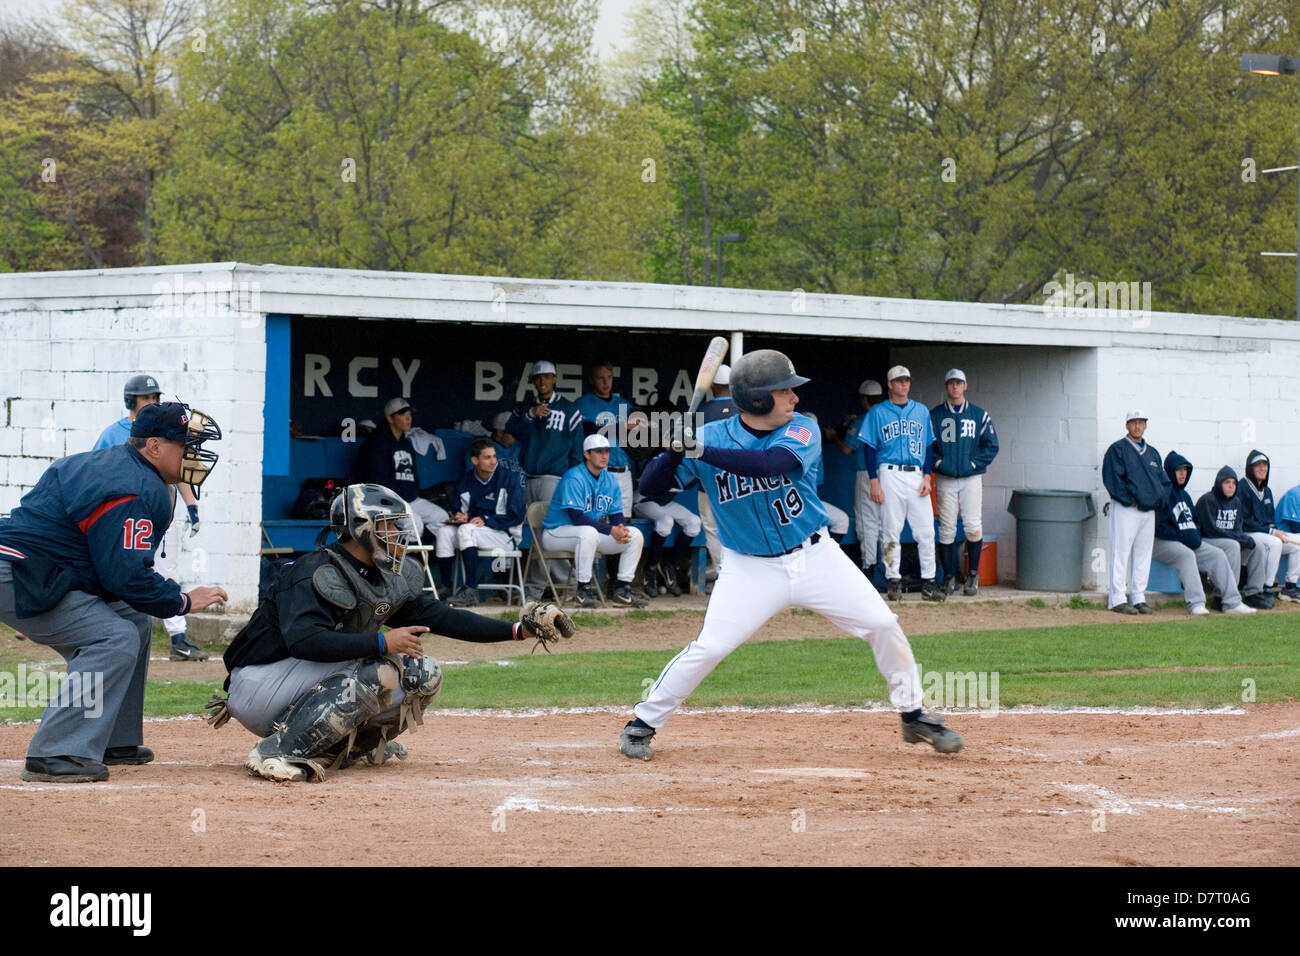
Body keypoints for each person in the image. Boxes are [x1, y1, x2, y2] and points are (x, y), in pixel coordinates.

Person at [618, 349, 961, 762]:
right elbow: (652, 489)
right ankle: (642, 722)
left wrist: (696, 449)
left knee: (882, 623)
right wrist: (674, 451)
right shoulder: (709, 438)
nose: (795, 399)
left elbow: (769, 463)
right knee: (710, 646)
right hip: (749, 567)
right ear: (759, 400)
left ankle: (913, 715)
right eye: (785, 392)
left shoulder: (801, 429)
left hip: (815, 557)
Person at [211, 483, 572, 783]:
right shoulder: (314, 572)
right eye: (389, 526)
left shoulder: (381, 574)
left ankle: (345, 749)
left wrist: (518, 630)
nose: (399, 534)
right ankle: (276, 750)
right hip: (259, 683)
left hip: (295, 682)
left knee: (422, 673)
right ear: (362, 529)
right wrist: (381, 641)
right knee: (379, 669)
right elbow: (304, 640)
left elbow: (442, 617)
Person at [0, 402, 228, 782]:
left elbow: (117, 577)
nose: (194, 453)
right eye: (185, 444)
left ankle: (113, 739)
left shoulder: (118, 465)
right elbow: (126, 577)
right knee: (114, 636)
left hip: (36, 570)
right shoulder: (135, 485)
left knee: (132, 620)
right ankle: (56, 752)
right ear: (154, 447)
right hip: (22, 575)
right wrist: (183, 601)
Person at [94, 374, 207, 661]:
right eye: (146, 398)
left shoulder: (165, 430)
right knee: (128, 570)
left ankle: (178, 638)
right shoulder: (112, 434)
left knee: (167, 571)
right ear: (131, 400)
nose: (152, 402)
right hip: (125, 516)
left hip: (160, 513)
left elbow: (177, 468)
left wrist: (191, 505)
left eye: (155, 397)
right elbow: (98, 472)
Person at [856, 366, 945, 602]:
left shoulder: (921, 411)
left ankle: (929, 582)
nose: (904, 384)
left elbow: (928, 446)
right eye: (899, 380)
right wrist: (874, 481)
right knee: (890, 529)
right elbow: (869, 448)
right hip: (890, 472)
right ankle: (893, 579)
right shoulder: (877, 412)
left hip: (916, 474)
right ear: (890, 384)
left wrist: (927, 476)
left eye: (907, 380)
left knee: (926, 530)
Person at [541, 434, 646, 608]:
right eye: (598, 452)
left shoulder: (609, 479)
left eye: (606, 451)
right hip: (556, 533)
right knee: (587, 532)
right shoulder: (574, 477)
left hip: (587, 536)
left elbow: (616, 513)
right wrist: (611, 530)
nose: (604, 456)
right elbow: (577, 518)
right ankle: (583, 590)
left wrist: (620, 528)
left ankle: (622, 590)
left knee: (634, 535)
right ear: (587, 454)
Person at [1153, 452, 1254, 616]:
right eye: (1178, 470)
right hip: (1163, 541)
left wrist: (1193, 536)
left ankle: (1231, 602)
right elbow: (1159, 526)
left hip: (1188, 541)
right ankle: (1196, 603)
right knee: (1186, 555)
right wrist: (1181, 537)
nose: (1182, 473)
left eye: (1185, 470)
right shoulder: (1162, 494)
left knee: (1218, 554)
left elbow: (1195, 521)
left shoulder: (1184, 495)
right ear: (1170, 471)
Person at [930, 368, 999, 596]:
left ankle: (972, 574)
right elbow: (927, 447)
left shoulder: (979, 414)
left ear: (965, 385)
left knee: (972, 525)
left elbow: (991, 445)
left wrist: (973, 464)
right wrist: (938, 464)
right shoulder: (936, 415)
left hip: (970, 478)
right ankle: (949, 576)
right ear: (946, 386)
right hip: (945, 477)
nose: (955, 387)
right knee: (947, 527)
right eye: (951, 383)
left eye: (959, 383)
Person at [435, 439, 526, 607]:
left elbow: (518, 515)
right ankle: (445, 587)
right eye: (487, 457)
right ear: (475, 460)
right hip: (476, 532)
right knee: (444, 532)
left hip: (504, 535)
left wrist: (487, 520)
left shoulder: (507, 479)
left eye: (494, 456)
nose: (493, 461)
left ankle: (470, 589)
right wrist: (460, 516)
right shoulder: (466, 481)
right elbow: (458, 508)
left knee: (466, 530)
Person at [1101, 410, 1168, 614]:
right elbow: (1112, 479)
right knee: (1120, 552)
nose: (1137, 426)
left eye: (1140, 422)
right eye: (1133, 422)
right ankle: (1117, 598)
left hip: (1148, 511)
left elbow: (1163, 481)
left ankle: (1138, 596)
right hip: (1126, 508)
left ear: (1146, 425)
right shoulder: (1117, 449)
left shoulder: (1153, 452)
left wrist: (1156, 500)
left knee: (1143, 554)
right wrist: (1130, 499)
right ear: (1127, 425)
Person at [355, 397, 448, 540]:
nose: (408, 418)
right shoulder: (375, 444)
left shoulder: (407, 444)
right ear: (390, 419)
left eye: (409, 414)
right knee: (414, 522)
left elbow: (413, 475)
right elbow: (375, 480)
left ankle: (414, 544)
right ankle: (409, 559)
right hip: (387, 499)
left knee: (442, 518)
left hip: (409, 498)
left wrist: (413, 492)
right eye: (402, 415)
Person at [507, 359, 584, 505]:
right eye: (538, 377)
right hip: (529, 476)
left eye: (547, 376)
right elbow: (511, 432)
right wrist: (530, 414)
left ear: (554, 378)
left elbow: (577, 447)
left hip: (555, 478)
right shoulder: (526, 407)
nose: (542, 381)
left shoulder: (569, 408)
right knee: (528, 524)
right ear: (533, 381)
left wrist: (571, 477)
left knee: (549, 524)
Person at [1195, 466, 1272, 610]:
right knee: (1233, 545)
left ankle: (1253, 593)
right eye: (1227, 482)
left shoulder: (1236, 502)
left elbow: (1237, 528)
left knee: (1258, 546)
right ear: (1219, 483)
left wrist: (1243, 539)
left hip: (1228, 539)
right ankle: (1223, 596)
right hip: (1208, 540)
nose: (1231, 486)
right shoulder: (1207, 500)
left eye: (1234, 483)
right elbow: (1211, 529)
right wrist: (1238, 538)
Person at [575, 360, 635, 513]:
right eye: (600, 378)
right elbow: (590, 430)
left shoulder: (624, 405)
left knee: (624, 521)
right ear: (592, 380)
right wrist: (621, 426)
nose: (605, 382)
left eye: (609, 377)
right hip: (600, 471)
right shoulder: (583, 404)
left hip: (624, 471)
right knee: (601, 518)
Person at [840, 378, 885, 578]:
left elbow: (847, 449)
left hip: (867, 473)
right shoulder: (889, 416)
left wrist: (834, 437)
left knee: (867, 520)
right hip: (889, 474)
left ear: (865, 399)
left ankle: (869, 567)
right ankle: (887, 569)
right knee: (887, 521)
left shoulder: (863, 419)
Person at [1239, 449, 1296, 602]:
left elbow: (1269, 519)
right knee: (1276, 543)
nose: (1262, 469)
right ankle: (1266, 588)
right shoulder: (1242, 487)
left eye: (1265, 465)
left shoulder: (1267, 490)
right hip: (1248, 533)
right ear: (1250, 468)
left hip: (1266, 533)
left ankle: (1290, 586)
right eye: (1258, 465)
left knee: (1297, 543)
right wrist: (1272, 532)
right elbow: (1245, 521)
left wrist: (1276, 531)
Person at [696, 364, 736, 581]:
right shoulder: (743, 410)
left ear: (712, 384)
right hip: (738, 481)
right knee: (735, 527)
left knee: (712, 529)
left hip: (708, 480)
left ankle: (723, 574)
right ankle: (737, 574)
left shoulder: (702, 411)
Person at [1274, 483, 1300, 601]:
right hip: (1278, 537)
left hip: (1291, 538)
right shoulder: (1294, 494)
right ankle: (1290, 587)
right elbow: (1296, 527)